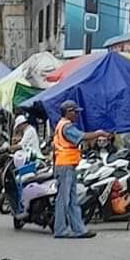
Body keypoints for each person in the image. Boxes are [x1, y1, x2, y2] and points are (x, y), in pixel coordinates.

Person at [53, 101, 107, 240]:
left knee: (72, 200)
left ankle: (79, 229)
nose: (77, 114)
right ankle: (60, 229)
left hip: (68, 165)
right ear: (68, 112)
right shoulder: (67, 126)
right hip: (64, 166)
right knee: (64, 200)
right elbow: (82, 136)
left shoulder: (61, 124)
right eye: (75, 112)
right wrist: (97, 134)